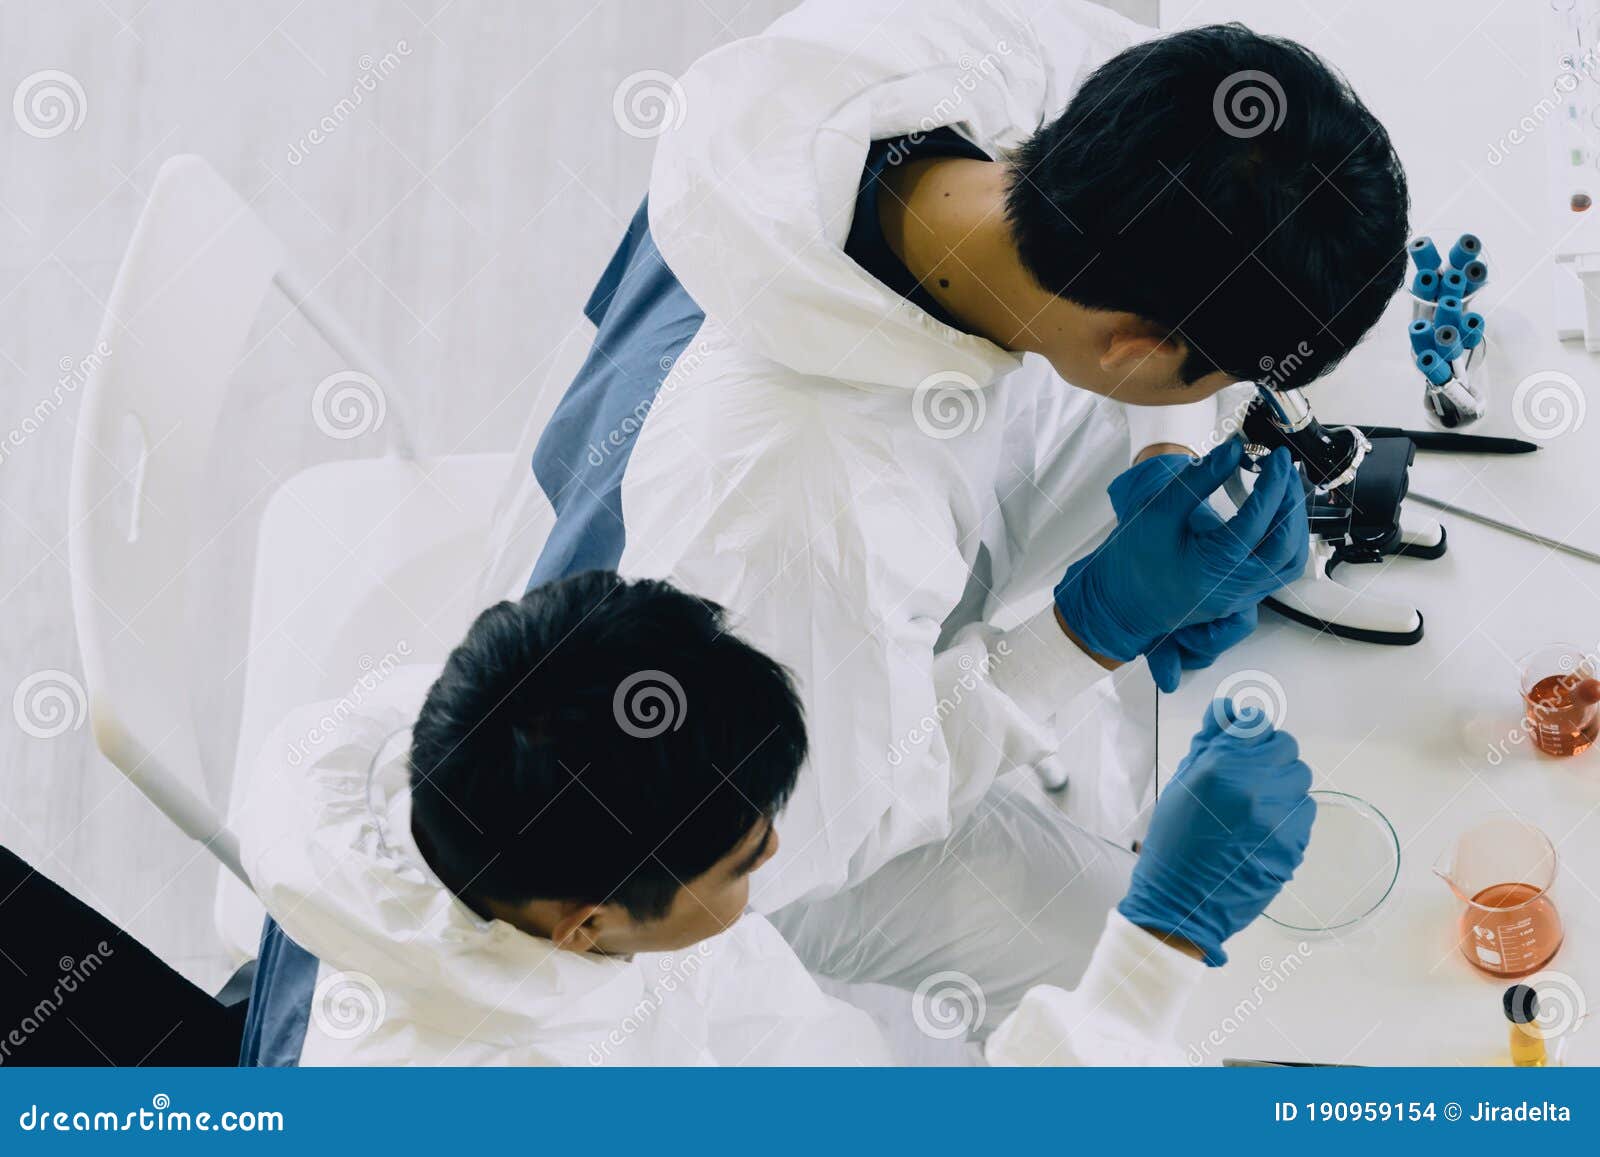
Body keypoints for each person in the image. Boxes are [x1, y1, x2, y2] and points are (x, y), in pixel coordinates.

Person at [512, 0, 1406, 1028]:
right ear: (1130, 346)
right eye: (1235, 375)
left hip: (863, 541)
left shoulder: (981, 61)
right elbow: (822, 826)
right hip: (756, 816)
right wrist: (1084, 633)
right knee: (1187, 987)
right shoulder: (801, 504)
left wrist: (1169, 446)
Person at [238, 571, 1315, 1065]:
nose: (780, 854)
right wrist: (1156, 950)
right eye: (747, 858)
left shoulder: (495, 749)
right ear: (586, 922)